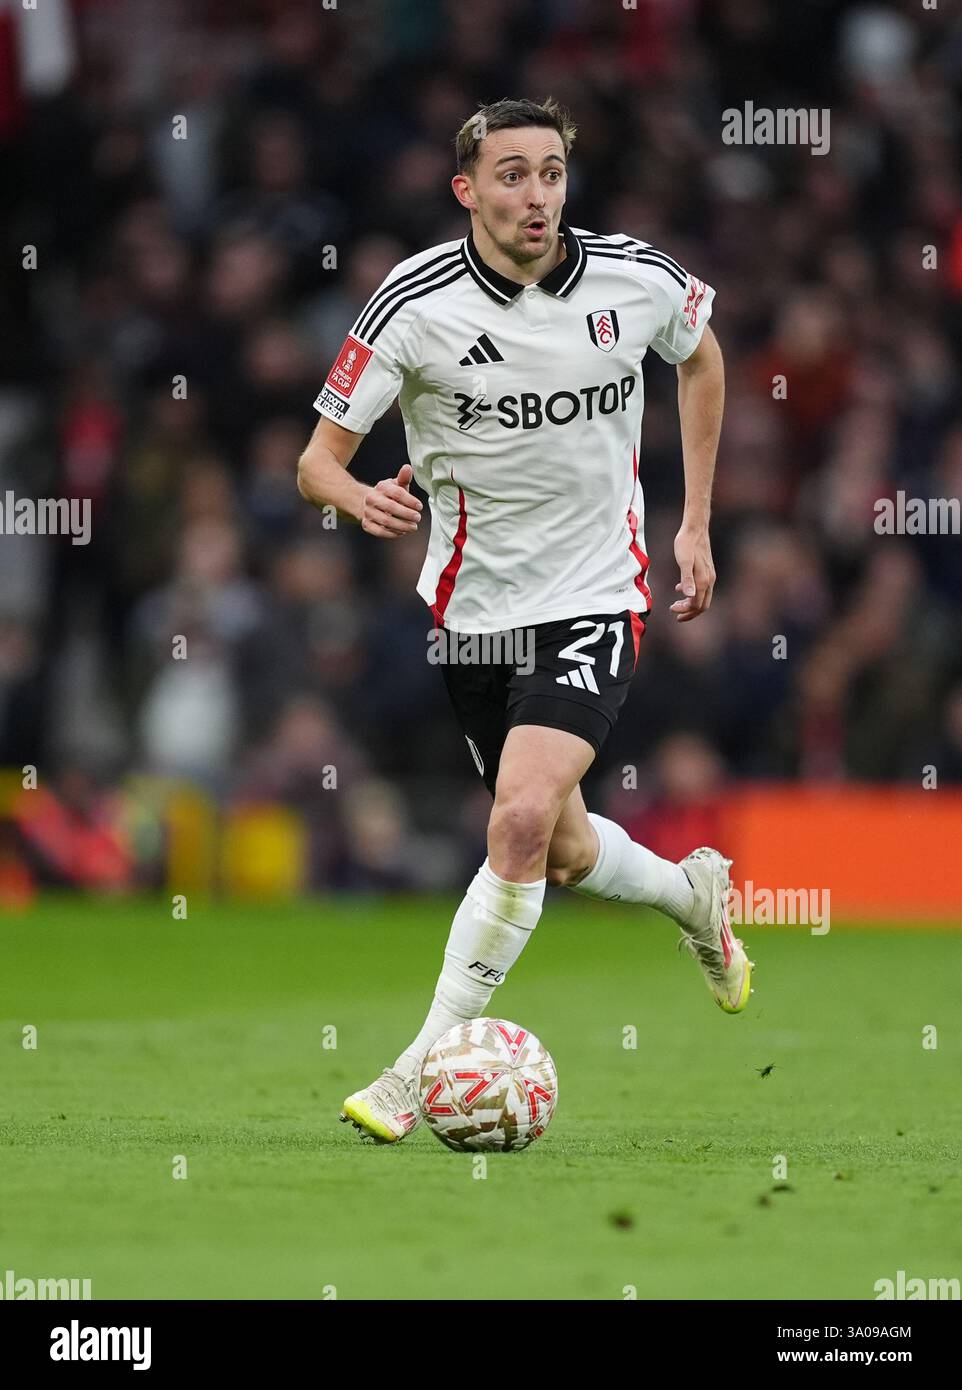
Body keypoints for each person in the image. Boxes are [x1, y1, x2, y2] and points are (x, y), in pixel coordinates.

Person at [297, 97, 753, 1144]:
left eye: (549, 173)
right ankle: (692, 897)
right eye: (511, 175)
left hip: (597, 593)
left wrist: (694, 523)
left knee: (512, 820)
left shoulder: (635, 279)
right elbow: (314, 457)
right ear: (466, 190)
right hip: (471, 614)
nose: (535, 194)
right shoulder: (411, 304)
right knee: (556, 845)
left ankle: (416, 1071)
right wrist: (351, 495)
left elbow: (702, 356)